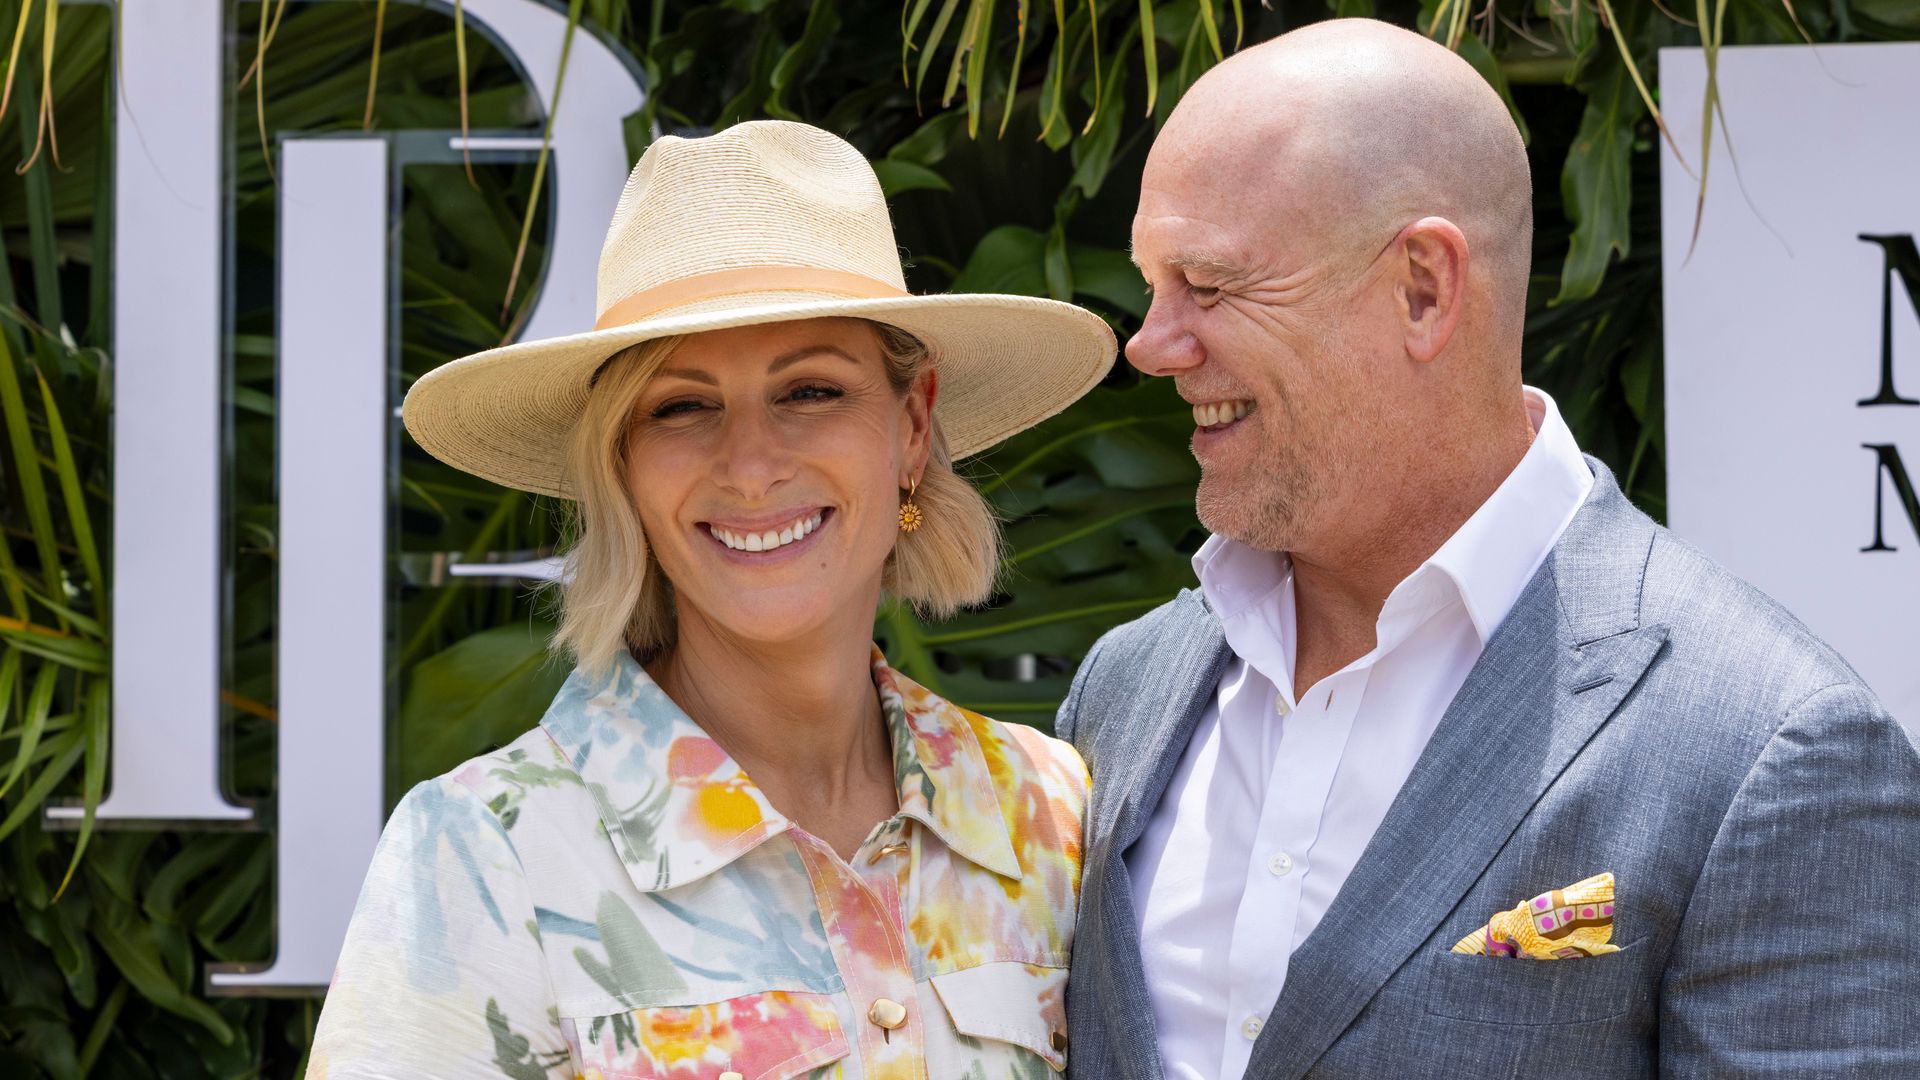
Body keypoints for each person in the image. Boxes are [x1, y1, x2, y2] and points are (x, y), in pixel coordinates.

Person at [1056, 18, 1920, 1080]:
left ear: (1423, 288)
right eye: (1153, 284)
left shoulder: (1767, 749)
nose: (1151, 344)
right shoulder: (1124, 691)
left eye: (1210, 283)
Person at [309, 120, 1114, 1077]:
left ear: (911, 424)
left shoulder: (1050, 814)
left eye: (810, 391)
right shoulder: (488, 854)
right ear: (623, 465)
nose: (751, 465)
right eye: (681, 406)